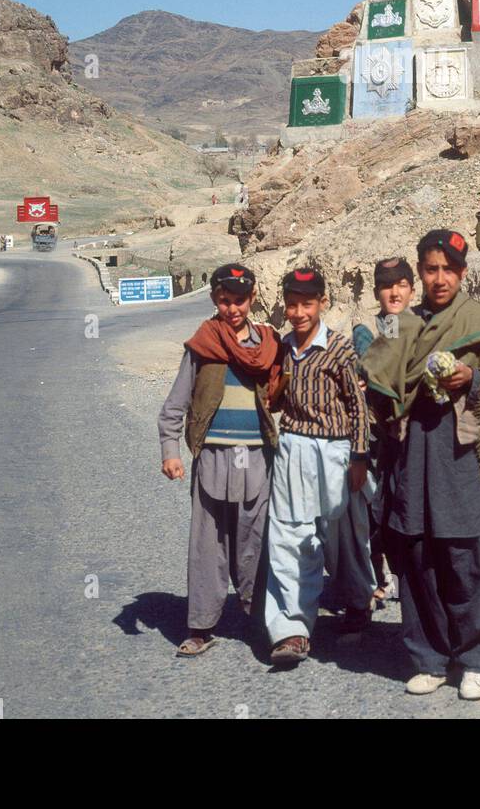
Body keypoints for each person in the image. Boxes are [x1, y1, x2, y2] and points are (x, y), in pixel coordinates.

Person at [362, 230, 480, 701]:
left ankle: (475, 658)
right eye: (430, 270)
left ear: (463, 273)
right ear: (419, 273)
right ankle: (428, 657)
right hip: (413, 457)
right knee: (417, 556)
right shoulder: (399, 322)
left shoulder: (479, 321)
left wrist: (473, 379)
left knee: (466, 554)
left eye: (448, 269)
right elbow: (372, 375)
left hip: (459, 457)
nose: (439, 278)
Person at [158, 263, 283, 656]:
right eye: (225, 301)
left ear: (253, 298)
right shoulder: (203, 343)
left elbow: (282, 392)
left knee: (256, 541)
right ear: (214, 299)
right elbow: (175, 404)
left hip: (256, 460)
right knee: (207, 544)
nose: (233, 309)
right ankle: (200, 626)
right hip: (213, 457)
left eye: (240, 301)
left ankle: (262, 620)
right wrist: (171, 451)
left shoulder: (267, 343)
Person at [263, 267, 371, 665]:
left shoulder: (340, 350)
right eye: (292, 305)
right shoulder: (282, 349)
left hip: (335, 453)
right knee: (289, 536)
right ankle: (291, 629)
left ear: (322, 304)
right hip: (293, 448)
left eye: (306, 304)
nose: (298, 312)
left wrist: (358, 457)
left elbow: (358, 408)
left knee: (343, 535)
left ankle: (358, 602)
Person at [351, 255, 417, 604]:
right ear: (376, 291)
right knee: (373, 510)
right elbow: (377, 365)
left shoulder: (423, 326)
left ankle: (406, 578)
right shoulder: (367, 329)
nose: (394, 292)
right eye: (387, 286)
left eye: (402, 285)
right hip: (377, 438)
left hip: (413, 437)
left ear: (412, 288)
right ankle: (378, 577)